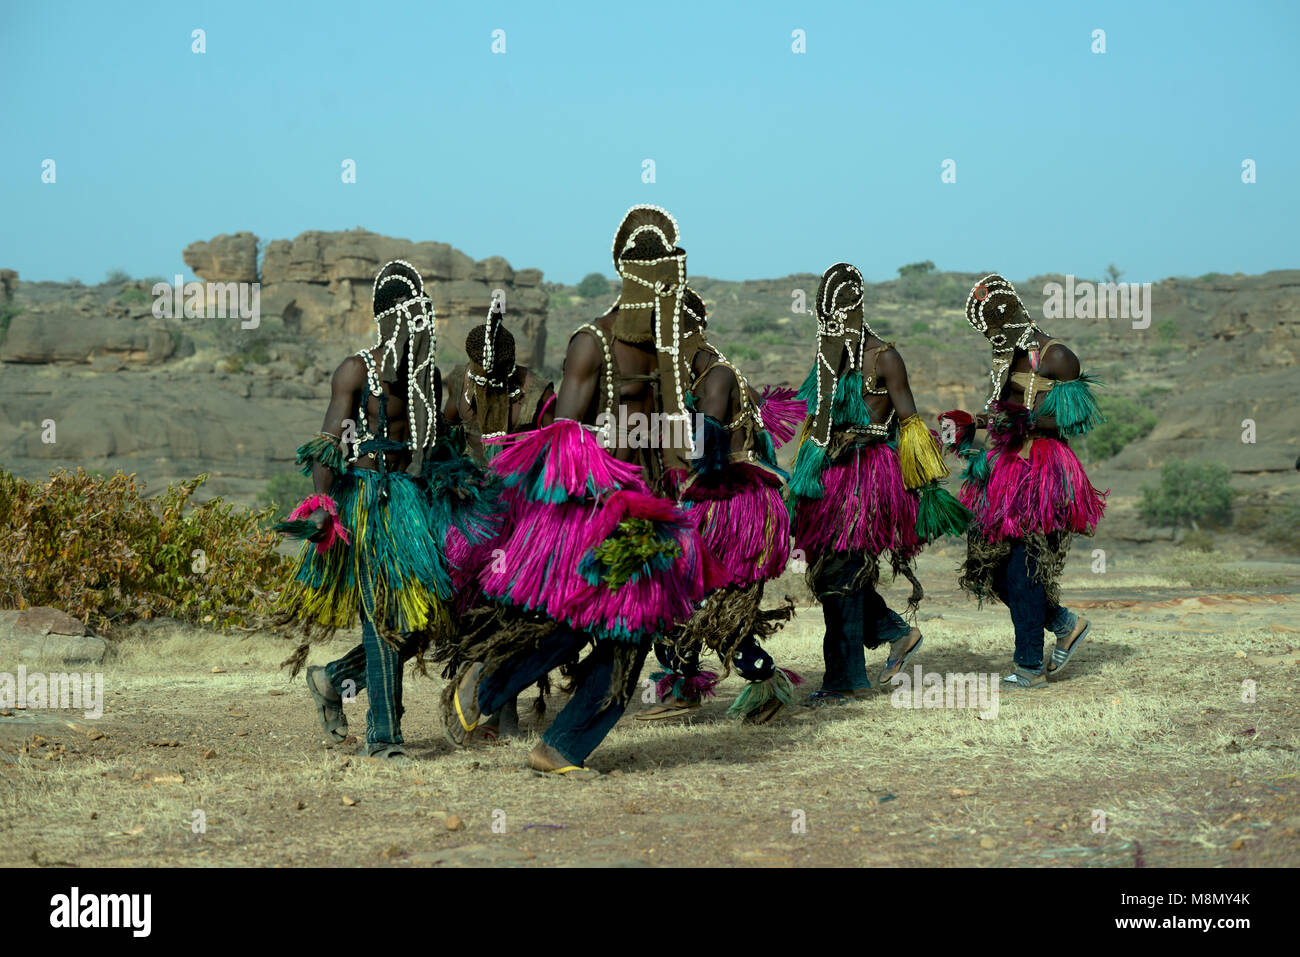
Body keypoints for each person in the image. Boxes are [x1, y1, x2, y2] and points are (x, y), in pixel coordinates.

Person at [438, 205, 713, 777]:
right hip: (595, 513)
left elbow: (676, 437)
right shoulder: (592, 343)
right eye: (650, 268)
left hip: (651, 518)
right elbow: (562, 438)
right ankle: (488, 683)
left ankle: (560, 747)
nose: (661, 280)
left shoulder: (669, 352)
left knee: (629, 639)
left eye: (668, 268)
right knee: (572, 624)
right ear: (625, 271)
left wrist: (677, 484)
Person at [276, 260, 499, 758]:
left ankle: (332, 680)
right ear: (387, 320)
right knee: (382, 617)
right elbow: (328, 441)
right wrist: (323, 508)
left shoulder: (427, 378)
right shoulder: (356, 370)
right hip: (368, 503)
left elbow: (440, 444)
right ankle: (383, 737)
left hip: (411, 505)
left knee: (422, 620)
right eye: (406, 317)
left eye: (421, 317)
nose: (416, 326)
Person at [789, 263, 969, 705]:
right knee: (830, 571)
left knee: (844, 574)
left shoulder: (884, 357)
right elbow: (817, 417)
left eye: (838, 314)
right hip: (828, 476)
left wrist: (925, 490)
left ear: (854, 308)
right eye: (825, 318)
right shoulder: (828, 359)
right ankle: (894, 632)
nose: (831, 325)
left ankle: (846, 680)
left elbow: (909, 421)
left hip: (868, 480)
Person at [637, 288, 808, 724]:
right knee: (678, 594)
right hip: (712, 499)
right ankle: (684, 686)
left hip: (734, 507)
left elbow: (700, 446)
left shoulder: (716, 377)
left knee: (709, 602)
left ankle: (766, 682)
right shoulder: (697, 376)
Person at [939, 273, 1105, 689]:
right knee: (989, 569)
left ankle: (1029, 666)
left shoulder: (1057, 356)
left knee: (1024, 569)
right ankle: (1064, 623)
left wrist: (1027, 419)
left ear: (1009, 316)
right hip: (1004, 470)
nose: (990, 336)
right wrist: (971, 426)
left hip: (1042, 473)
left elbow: (1075, 418)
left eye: (994, 328)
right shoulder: (1005, 356)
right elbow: (1001, 416)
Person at [442, 297, 553, 738]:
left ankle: (504, 713)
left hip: (525, 515)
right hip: (475, 517)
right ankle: (489, 708)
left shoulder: (538, 393)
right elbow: (446, 433)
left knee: (518, 612)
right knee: (480, 611)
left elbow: (555, 452)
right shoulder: (457, 382)